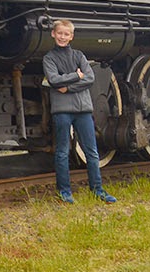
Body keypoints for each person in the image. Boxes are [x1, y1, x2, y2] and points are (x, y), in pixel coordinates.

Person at [42, 19, 118, 204]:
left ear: (71, 36)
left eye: (66, 34)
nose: (62, 37)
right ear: (53, 34)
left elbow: (90, 78)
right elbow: (53, 80)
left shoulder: (79, 55)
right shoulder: (49, 58)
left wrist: (67, 87)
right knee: (62, 152)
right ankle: (65, 192)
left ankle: (97, 189)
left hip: (83, 109)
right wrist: (76, 76)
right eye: (59, 33)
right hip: (62, 110)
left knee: (91, 151)